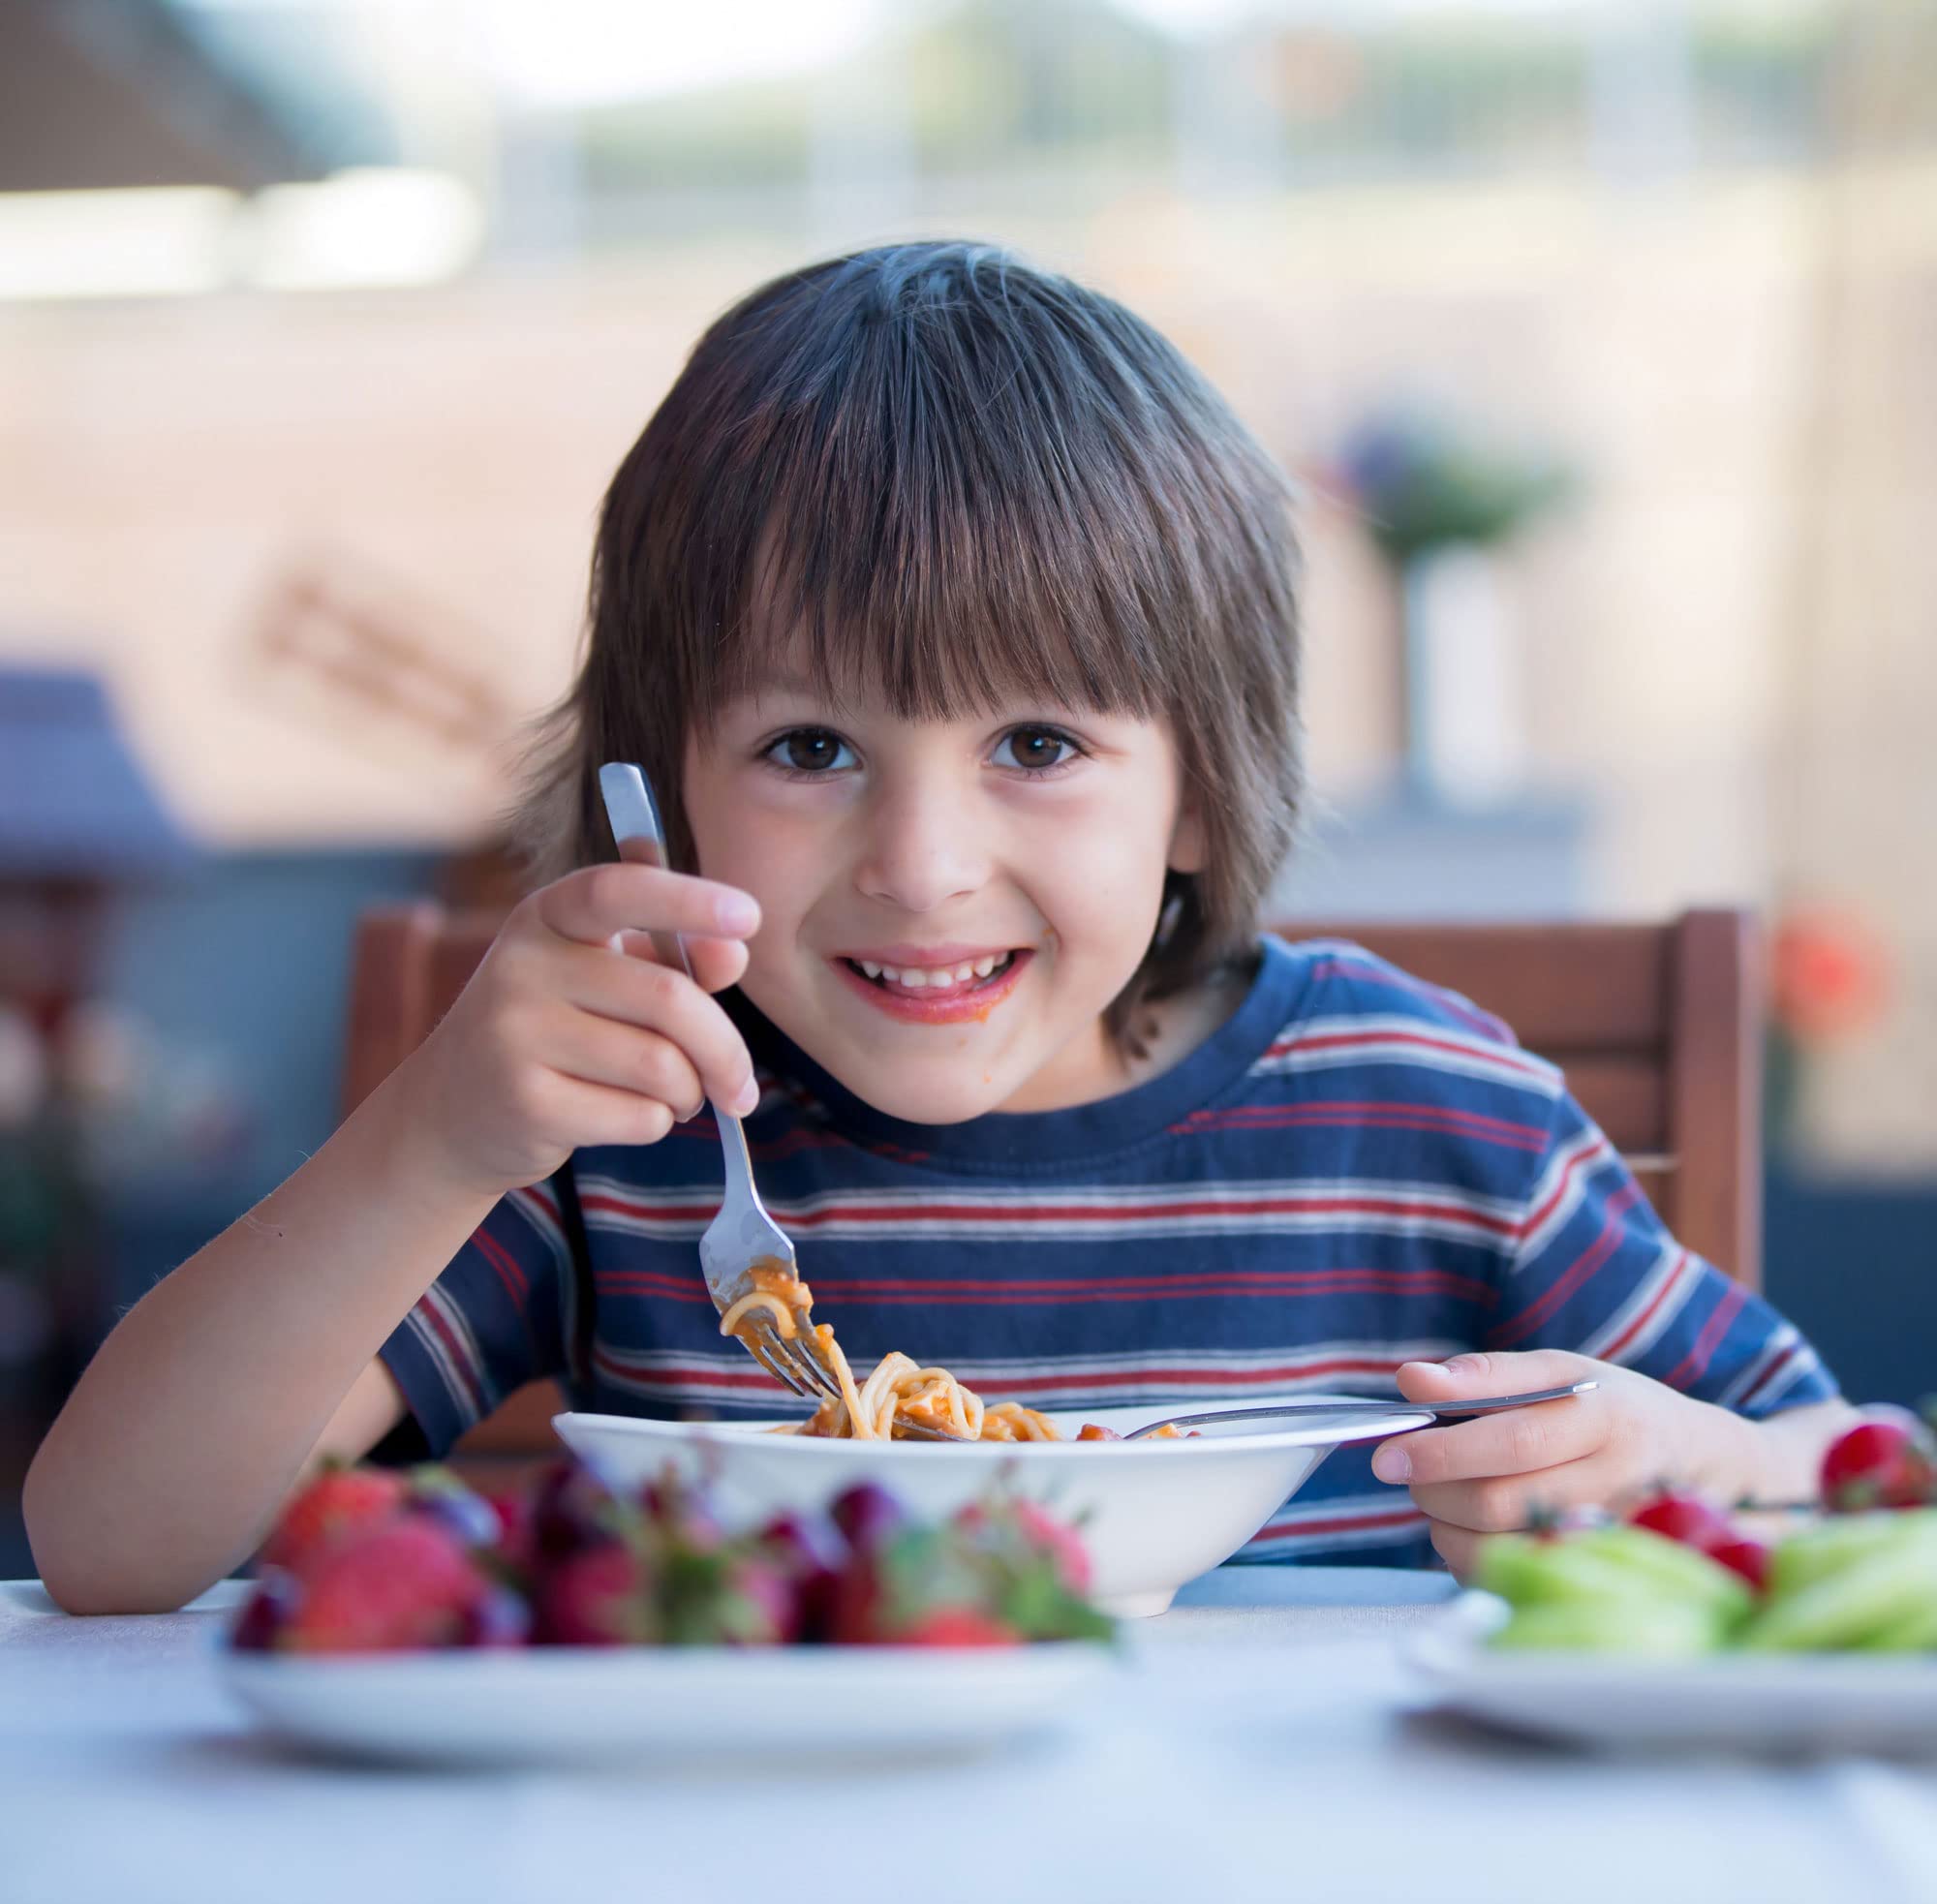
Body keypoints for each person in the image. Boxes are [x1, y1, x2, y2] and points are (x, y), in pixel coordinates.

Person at [25, 241, 1852, 1612]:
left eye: (1038, 744)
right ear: (661, 783)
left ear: (1199, 791)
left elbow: (1863, 1477)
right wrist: (427, 1143)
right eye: (812, 746)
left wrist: (1692, 1462)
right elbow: (107, 1550)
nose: (920, 860)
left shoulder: (1427, 1114)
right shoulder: (631, 1139)